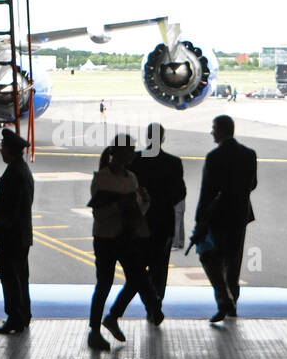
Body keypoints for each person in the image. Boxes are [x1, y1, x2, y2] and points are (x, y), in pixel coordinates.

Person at [105, 123, 185, 333]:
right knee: (159, 270)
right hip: (163, 223)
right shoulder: (174, 163)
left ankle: (147, 308)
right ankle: (153, 307)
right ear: (163, 138)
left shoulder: (136, 161)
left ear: (147, 137)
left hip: (138, 223)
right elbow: (180, 194)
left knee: (137, 272)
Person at [88, 134, 163, 349]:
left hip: (126, 236)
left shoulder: (131, 178)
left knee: (136, 278)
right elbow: (99, 213)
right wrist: (120, 205)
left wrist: (144, 203)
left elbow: (137, 211)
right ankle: (95, 329)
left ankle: (109, 319)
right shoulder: (102, 178)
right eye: (129, 150)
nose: (132, 154)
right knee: (104, 284)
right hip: (106, 237)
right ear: (118, 153)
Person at [193, 113, 257, 323]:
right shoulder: (249, 154)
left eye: (213, 128)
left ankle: (223, 299)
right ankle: (232, 304)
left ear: (220, 130)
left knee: (212, 258)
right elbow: (252, 184)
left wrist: (199, 220)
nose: (211, 132)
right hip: (240, 214)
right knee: (234, 261)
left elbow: (207, 191)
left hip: (218, 216)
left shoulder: (214, 157)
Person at [0, 126, 35, 334]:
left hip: (12, 237)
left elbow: (13, 209)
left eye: (3, 148)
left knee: (11, 279)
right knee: (20, 277)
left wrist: (2, 231)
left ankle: (15, 317)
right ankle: (22, 314)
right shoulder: (22, 170)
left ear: (9, 150)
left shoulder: (15, 173)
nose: (1, 151)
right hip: (21, 236)